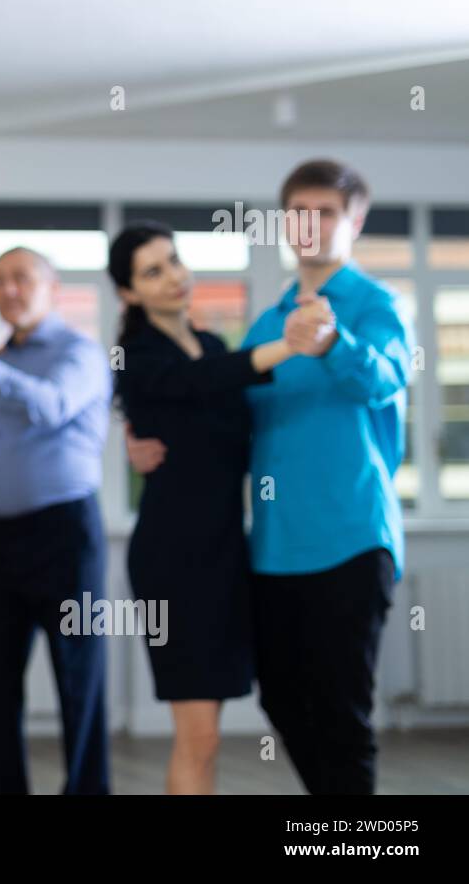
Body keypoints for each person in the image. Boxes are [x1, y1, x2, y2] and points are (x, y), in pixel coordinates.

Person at [128, 159, 412, 794]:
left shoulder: (375, 306)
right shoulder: (267, 327)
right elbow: (221, 417)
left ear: (356, 221)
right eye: (299, 213)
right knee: (283, 702)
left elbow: (386, 378)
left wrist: (334, 341)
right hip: (273, 552)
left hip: (352, 539)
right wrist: (144, 440)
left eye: (328, 213)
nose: (310, 226)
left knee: (342, 714)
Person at [109, 221, 294, 793]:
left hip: (224, 551)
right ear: (130, 293)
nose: (173, 277)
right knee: (200, 736)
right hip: (174, 557)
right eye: (153, 271)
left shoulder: (212, 343)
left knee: (207, 733)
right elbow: (202, 380)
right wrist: (288, 344)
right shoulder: (137, 355)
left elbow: (225, 394)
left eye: (175, 261)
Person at [0, 247, 112, 795]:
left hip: (65, 533)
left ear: (52, 287)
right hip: (4, 539)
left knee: (78, 680)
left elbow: (54, 405)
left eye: (22, 278)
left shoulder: (79, 352)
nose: (8, 289)